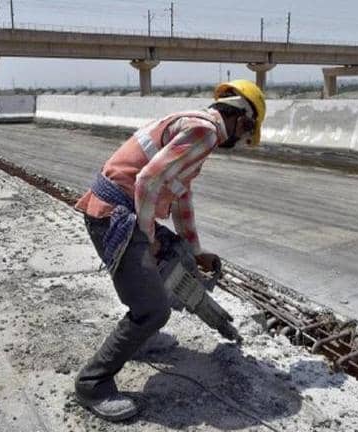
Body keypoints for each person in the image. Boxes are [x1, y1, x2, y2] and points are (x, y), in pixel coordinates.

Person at [72, 79, 266, 421]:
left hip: (115, 210)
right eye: (246, 134)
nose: (241, 141)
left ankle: (140, 339)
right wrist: (147, 238)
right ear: (242, 121)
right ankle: (93, 384)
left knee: (174, 256)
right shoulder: (205, 133)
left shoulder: (194, 124)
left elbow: (180, 196)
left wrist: (195, 249)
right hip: (114, 217)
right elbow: (148, 181)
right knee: (153, 310)